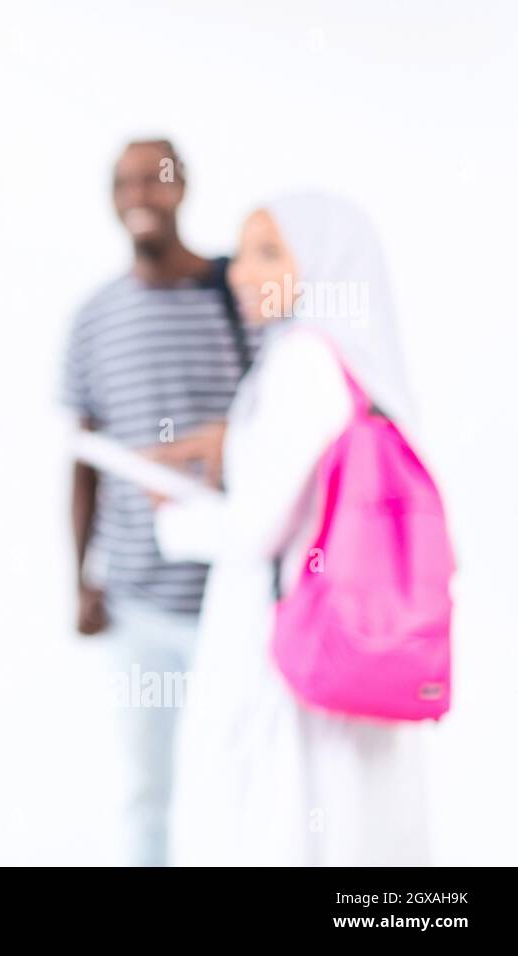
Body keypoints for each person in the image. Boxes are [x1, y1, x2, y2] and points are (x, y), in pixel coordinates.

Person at [150, 192, 431, 865]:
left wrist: (173, 519)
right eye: (243, 252)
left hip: (279, 651)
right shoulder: (357, 368)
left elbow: (254, 530)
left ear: (324, 263)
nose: (240, 272)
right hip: (338, 648)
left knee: (268, 826)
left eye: (268, 252)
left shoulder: (303, 359)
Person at [60, 139, 257, 865]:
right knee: (146, 791)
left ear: (182, 188)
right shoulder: (93, 319)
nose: (139, 192)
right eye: (124, 182)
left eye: (154, 178)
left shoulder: (238, 294)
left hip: (239, 592)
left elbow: (281, 427)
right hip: (139, 600)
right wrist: (81, 575)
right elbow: (81, 462)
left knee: (250, 778)